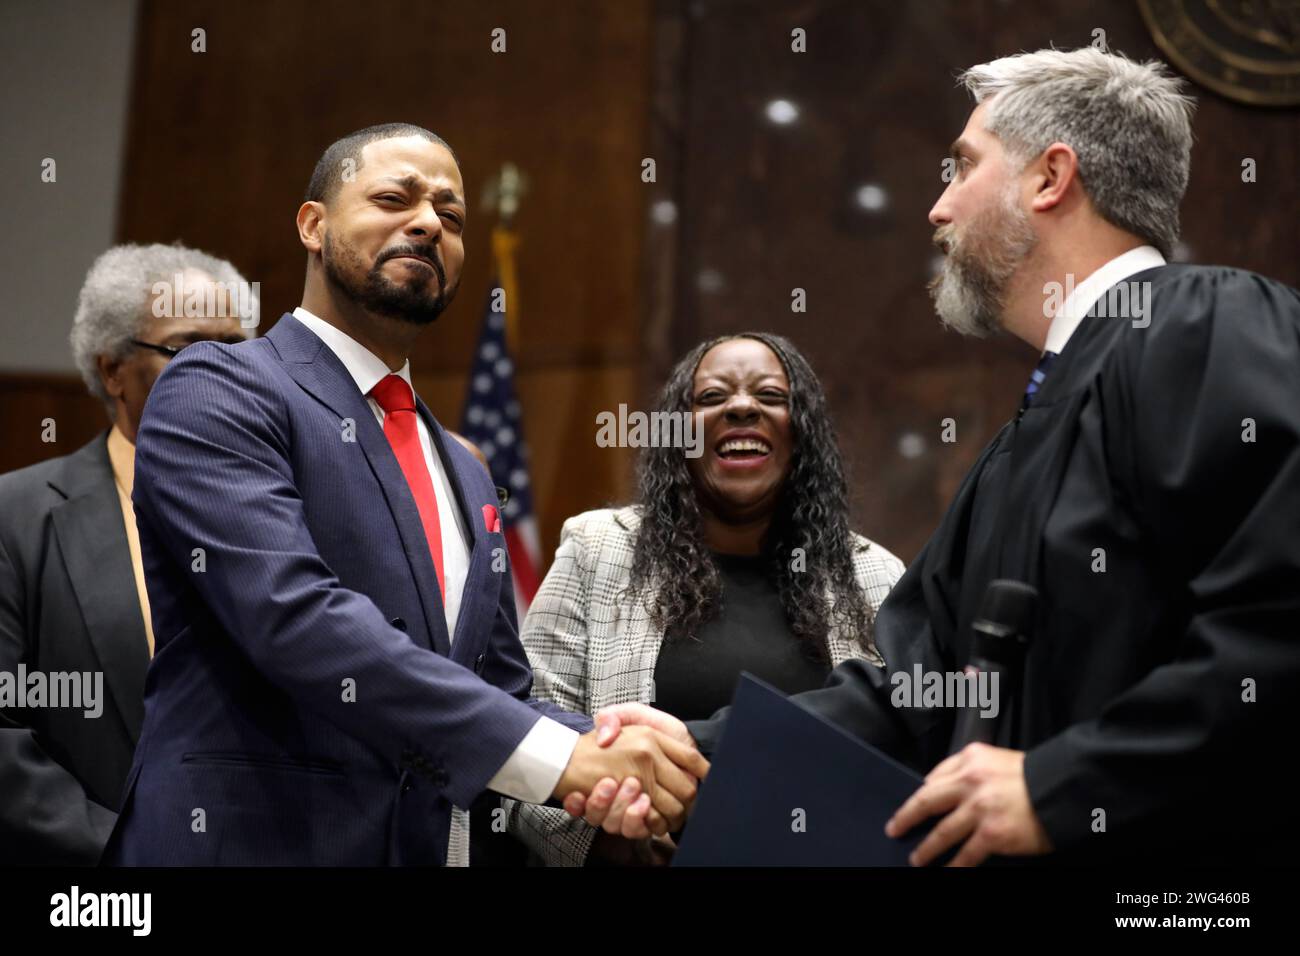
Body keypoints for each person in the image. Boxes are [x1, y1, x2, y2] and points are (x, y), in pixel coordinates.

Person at [570, 47, 1300, 866]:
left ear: (1050, 177)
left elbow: (1276, 625)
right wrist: (700, 751)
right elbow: (917, 693)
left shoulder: (1211, 326)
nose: (937, 210)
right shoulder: (1018, 441)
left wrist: (1063, 786)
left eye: (960, 167)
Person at [103, 123, 706, 866]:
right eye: (394, 198)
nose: (427, 223)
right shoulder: (218, 388)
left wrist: (611, 744)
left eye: (451, 218)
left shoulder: (464, 467)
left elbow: (496, 688)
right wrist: (561, 760)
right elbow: (293, 617)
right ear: (313, 225)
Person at [505, 332, 904, 865]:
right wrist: (609, 841)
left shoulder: (874, 575)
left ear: (802, 433)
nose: (742, 406)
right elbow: (525, 727)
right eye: (712, 397)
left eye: (771, 396)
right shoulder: (596, 549)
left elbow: (901, 743)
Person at [0, 243, 255, 865]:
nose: (221, 370)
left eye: (237, 348)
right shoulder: (17, 515)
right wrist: (133, 855)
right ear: (113, 370)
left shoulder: (295, 507)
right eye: (189, 347)